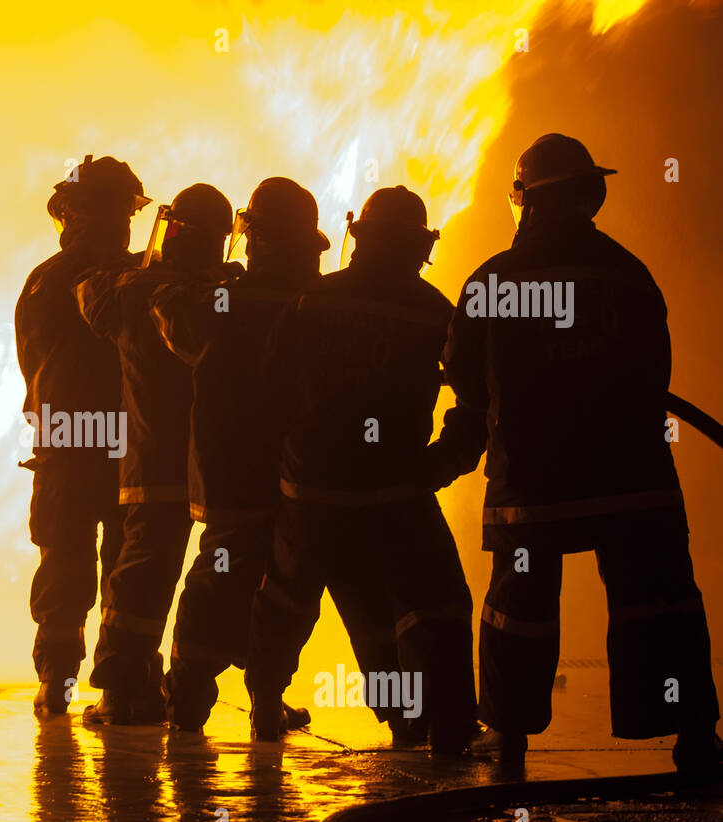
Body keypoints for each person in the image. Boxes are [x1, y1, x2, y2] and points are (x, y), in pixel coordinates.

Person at [434, 134, 721, 770]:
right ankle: (694, 736)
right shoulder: (628, 273)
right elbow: (654, 375)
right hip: (633, 482)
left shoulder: (492, 281)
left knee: (519, 610)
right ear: (590, 195)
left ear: (525, 201)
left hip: (534, 487)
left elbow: (468, 388)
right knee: (660, 601)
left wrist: (442, 457)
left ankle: (507, 738)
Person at [247, 185, 479, 750]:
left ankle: (264, 706)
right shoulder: (434, 312)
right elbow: (477, 400)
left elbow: (269, 390)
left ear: (359, 237)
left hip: (313, 494)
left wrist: (283, 468)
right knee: (434, 604)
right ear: (420, 246)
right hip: (397, 494)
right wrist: (441, 464)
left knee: (288, 599)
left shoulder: (312, 300)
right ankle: (442, 724)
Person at [149, 177, 327, 733]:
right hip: (303, 478)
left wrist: (202, 279)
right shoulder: (322, 304)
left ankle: (187, 701)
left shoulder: (225, 301)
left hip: (232, 475)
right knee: (287, 587)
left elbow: (170, 314)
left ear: (256, 239)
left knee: (218, 578)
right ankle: (268, 704)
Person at [74, 183, 240, 725]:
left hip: (154, 463)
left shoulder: (130, 291)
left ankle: (124, 693)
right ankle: (199, 692)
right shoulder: (223, 299)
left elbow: (88, 294)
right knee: (229, 574)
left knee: (141, 580)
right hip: (219, 466)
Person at [15, 155, 149, 717]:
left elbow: (31, 364)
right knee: (128, 566)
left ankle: (58, 683)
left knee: (65, 563)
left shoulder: (44, 278)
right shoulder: (142, 277)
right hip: (127, 447)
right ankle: (124, 686)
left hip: (66, 443)